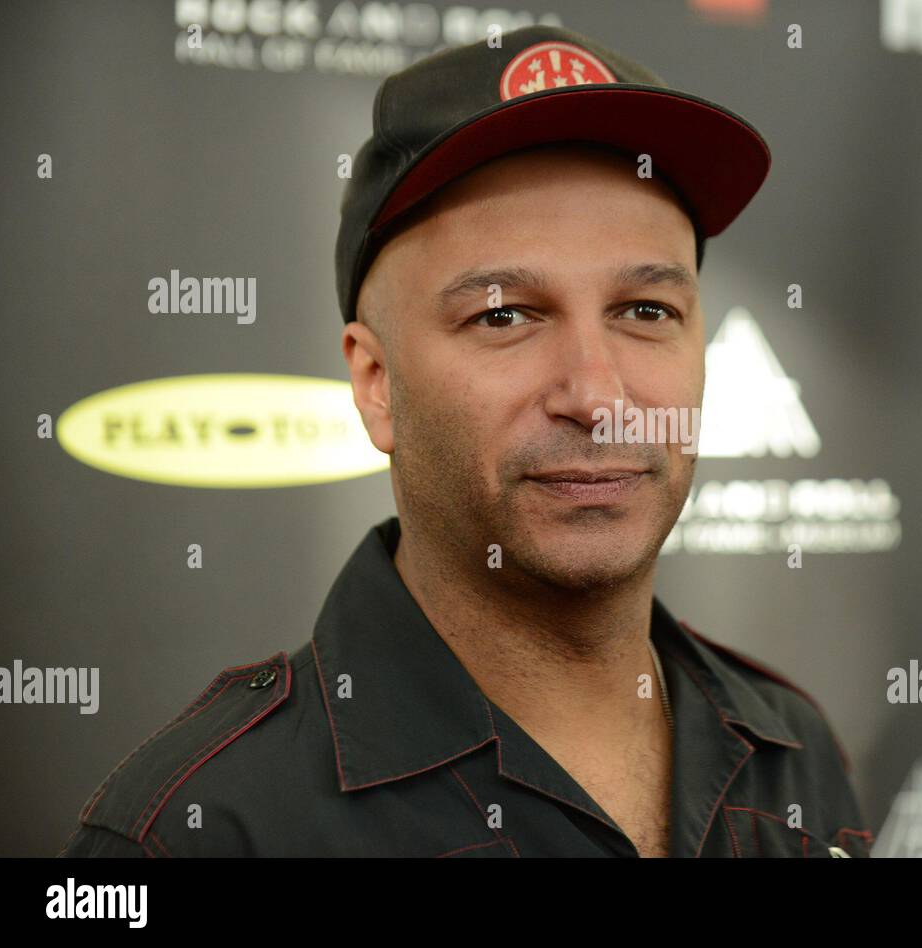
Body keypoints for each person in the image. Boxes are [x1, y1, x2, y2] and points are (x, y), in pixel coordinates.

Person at [58, 24, 872, 858]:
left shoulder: (793, 753)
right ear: (377, 385)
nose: (597, 395)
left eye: (645, 311)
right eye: (503, 315)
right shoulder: (198, 830)